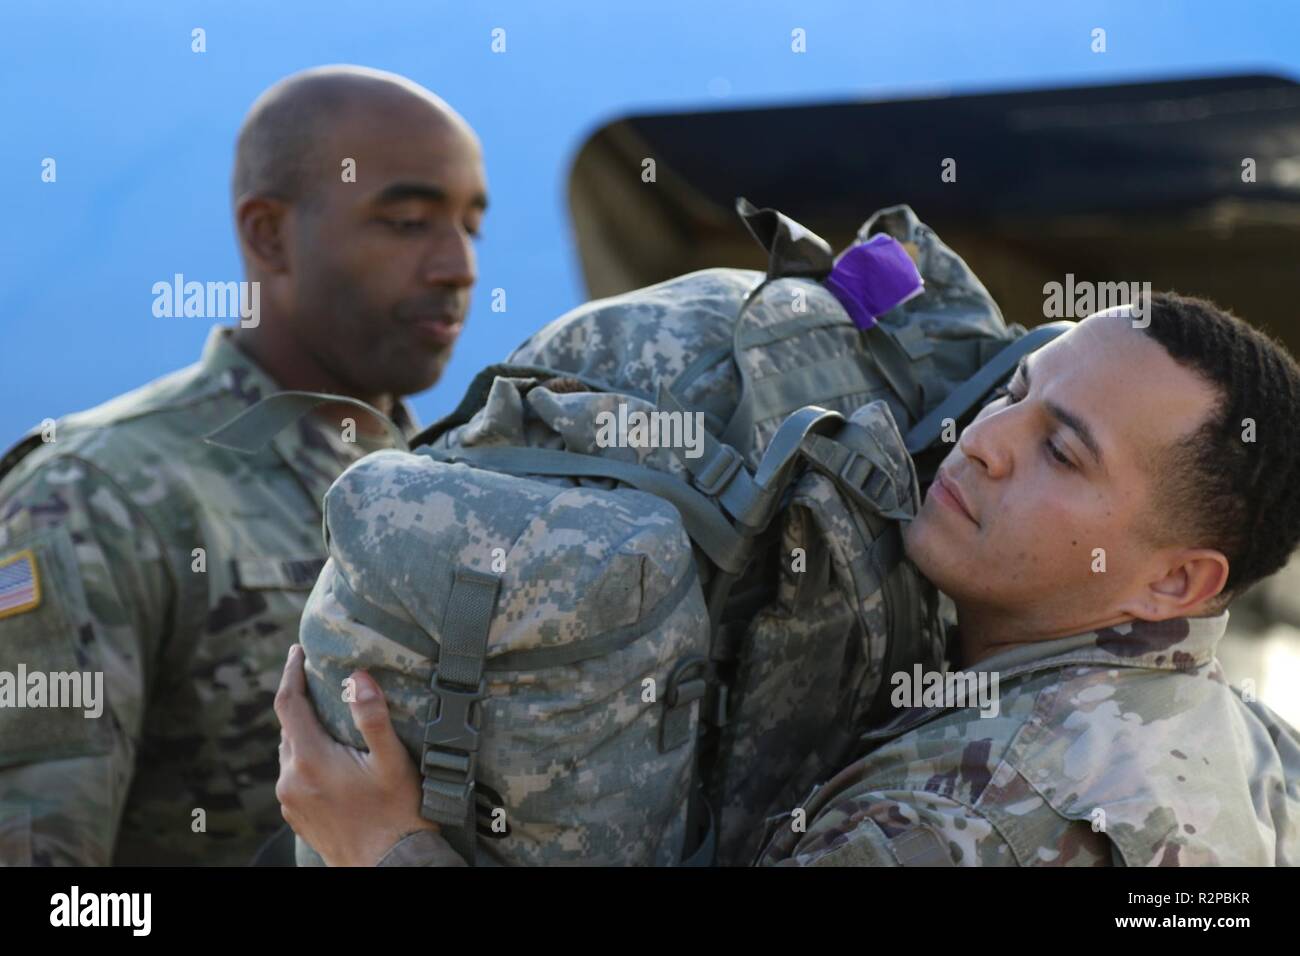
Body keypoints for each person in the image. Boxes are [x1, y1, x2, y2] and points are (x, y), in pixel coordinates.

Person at [274, 292, 1300, 866]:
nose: (985, 442)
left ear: (1175, 581)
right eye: (1019, 395)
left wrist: (384, 848)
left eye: (1063, 454)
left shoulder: (956, 813)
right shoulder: (1254, 746)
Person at [0, 64, 487, 865]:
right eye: (407, 220)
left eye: (472, 225)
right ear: (268, 235)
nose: (458, 266)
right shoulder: (93, 496)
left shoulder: (464, 488)